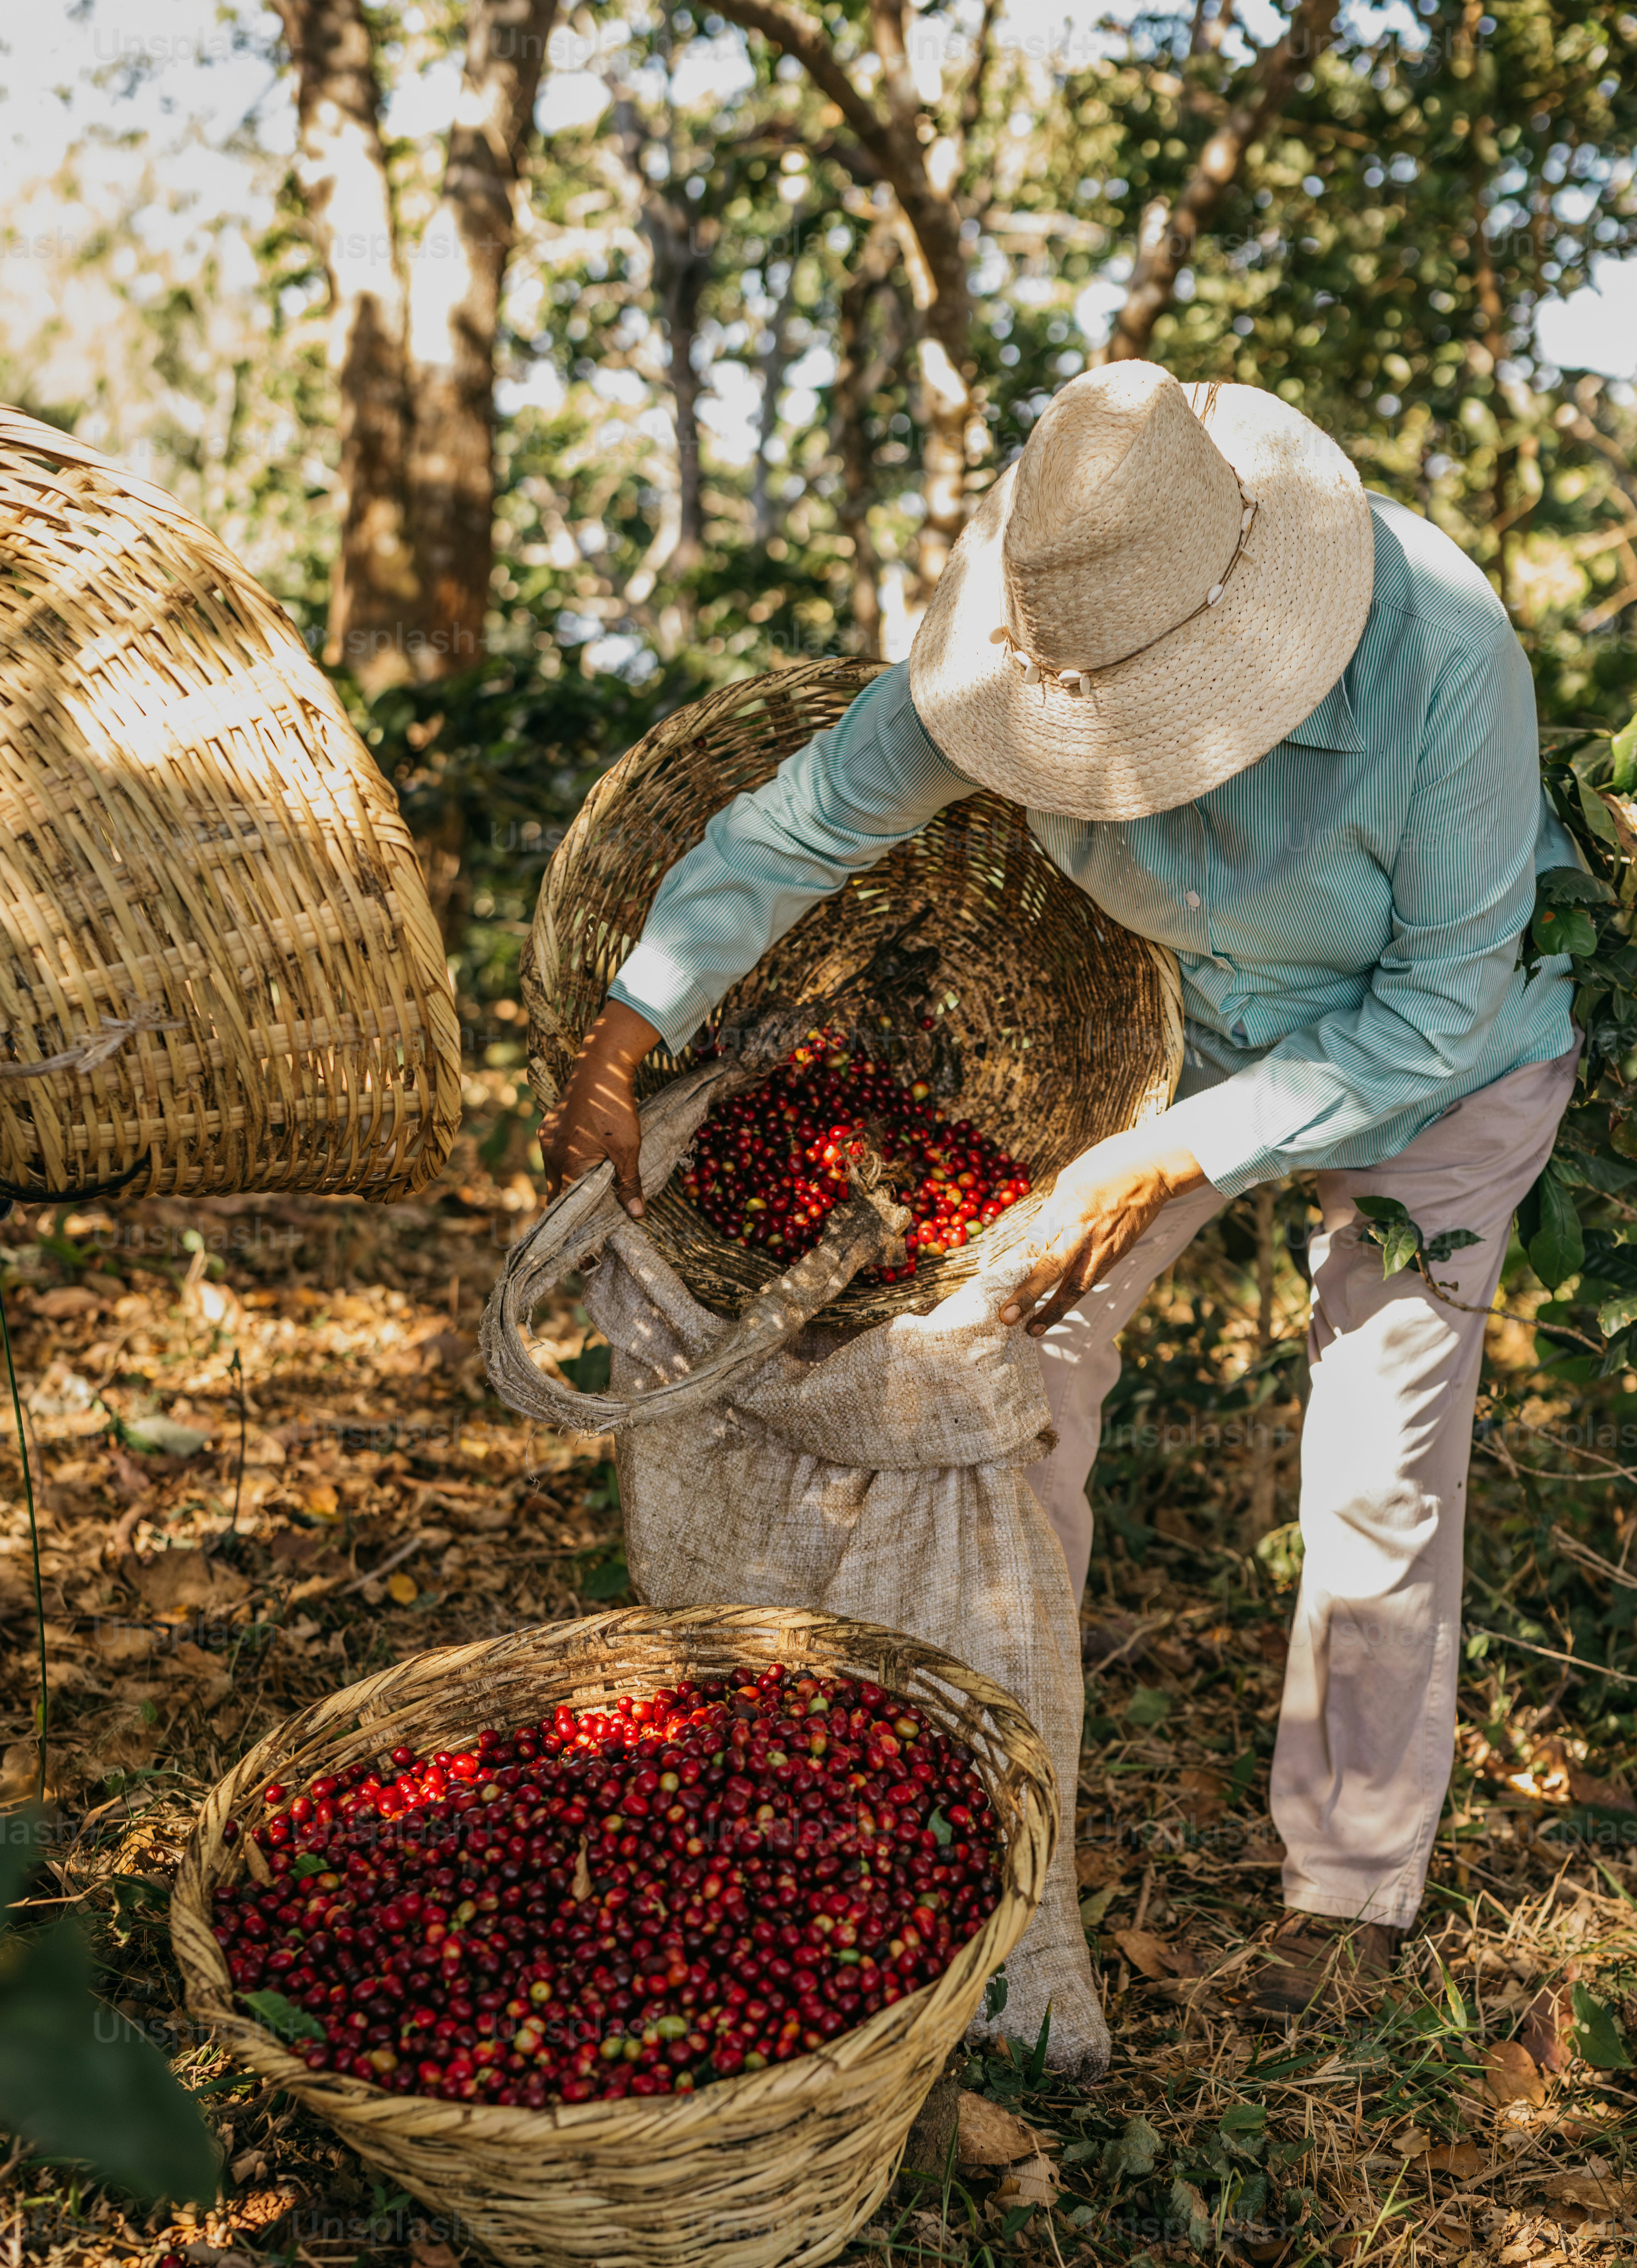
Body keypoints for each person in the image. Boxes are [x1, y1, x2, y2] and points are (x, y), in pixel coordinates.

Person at [539, 361, 1579, 2029]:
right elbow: (803, 823)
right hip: (1176, 1036)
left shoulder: (1443, 651)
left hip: (1440, 1074)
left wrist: (1164, 1160)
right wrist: (629, 1027)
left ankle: (1350, 1882)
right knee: (1005, 1391)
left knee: (1381, 1473)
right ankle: (990, 1850)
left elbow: (1444, 1003)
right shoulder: (1003, 657)